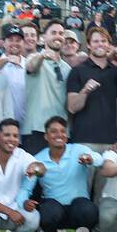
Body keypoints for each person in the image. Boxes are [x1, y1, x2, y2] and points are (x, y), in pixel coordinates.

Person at [22, 115, 102, 232]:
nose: (59, 135)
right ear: (46, 136)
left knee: (87, 208)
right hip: (54, 211)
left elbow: (99, 159)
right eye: (54, 131)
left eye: (62, 131)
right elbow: (26, 188)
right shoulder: (38, 159)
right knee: (48, 208)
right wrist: (24, 202)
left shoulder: (78, 150)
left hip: (78, 209)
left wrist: (91, 159)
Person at [65, 27, 117, 150]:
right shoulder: (77, 71)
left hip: (111, 142)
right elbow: (72, 108)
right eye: (95, 41)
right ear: (89, 45)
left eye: (103, 41)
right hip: (83, 141)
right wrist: (85, 91)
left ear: (109, 45)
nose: (100, 44)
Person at [21, 21, 72, 154]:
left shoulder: (67, 68)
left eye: (61, 33)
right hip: (36, 130)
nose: (58, 36)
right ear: (44, 37)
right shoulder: (34, 58)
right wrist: (42, 55)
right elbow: (31, 66)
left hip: (60, 132)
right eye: (53, 33)